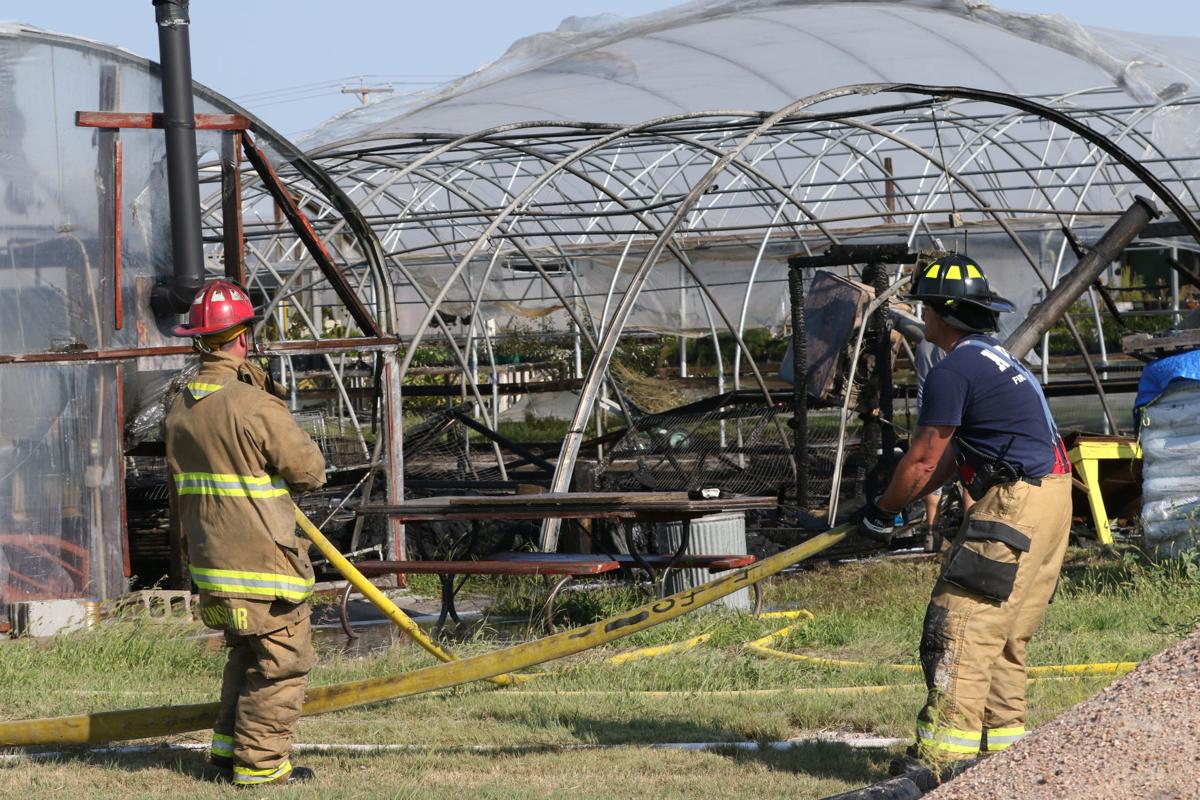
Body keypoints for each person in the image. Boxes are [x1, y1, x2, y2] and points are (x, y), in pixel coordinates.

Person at [859, 254, 1072, 771]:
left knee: (961, 623)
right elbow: (952, 461)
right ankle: (1002, 756)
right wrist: (896, 507)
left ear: (940, 314)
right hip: (1053, 496)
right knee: (1005, 630)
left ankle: (940, 760)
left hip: (1015, 503)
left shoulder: (953, 371)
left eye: (926, 307)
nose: (922, 316)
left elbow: (927, 456)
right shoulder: (997, 360)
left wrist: (881, 509)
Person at [164, 280, 326, 787]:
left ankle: (227, 751)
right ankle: (260, 765)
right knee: (282, 659)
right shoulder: (254, 406)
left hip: (212, 561)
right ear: (242, 338)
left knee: (246, 650)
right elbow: (309, 472)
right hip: (264, 561)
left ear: (198, 339)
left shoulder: (180, 408)